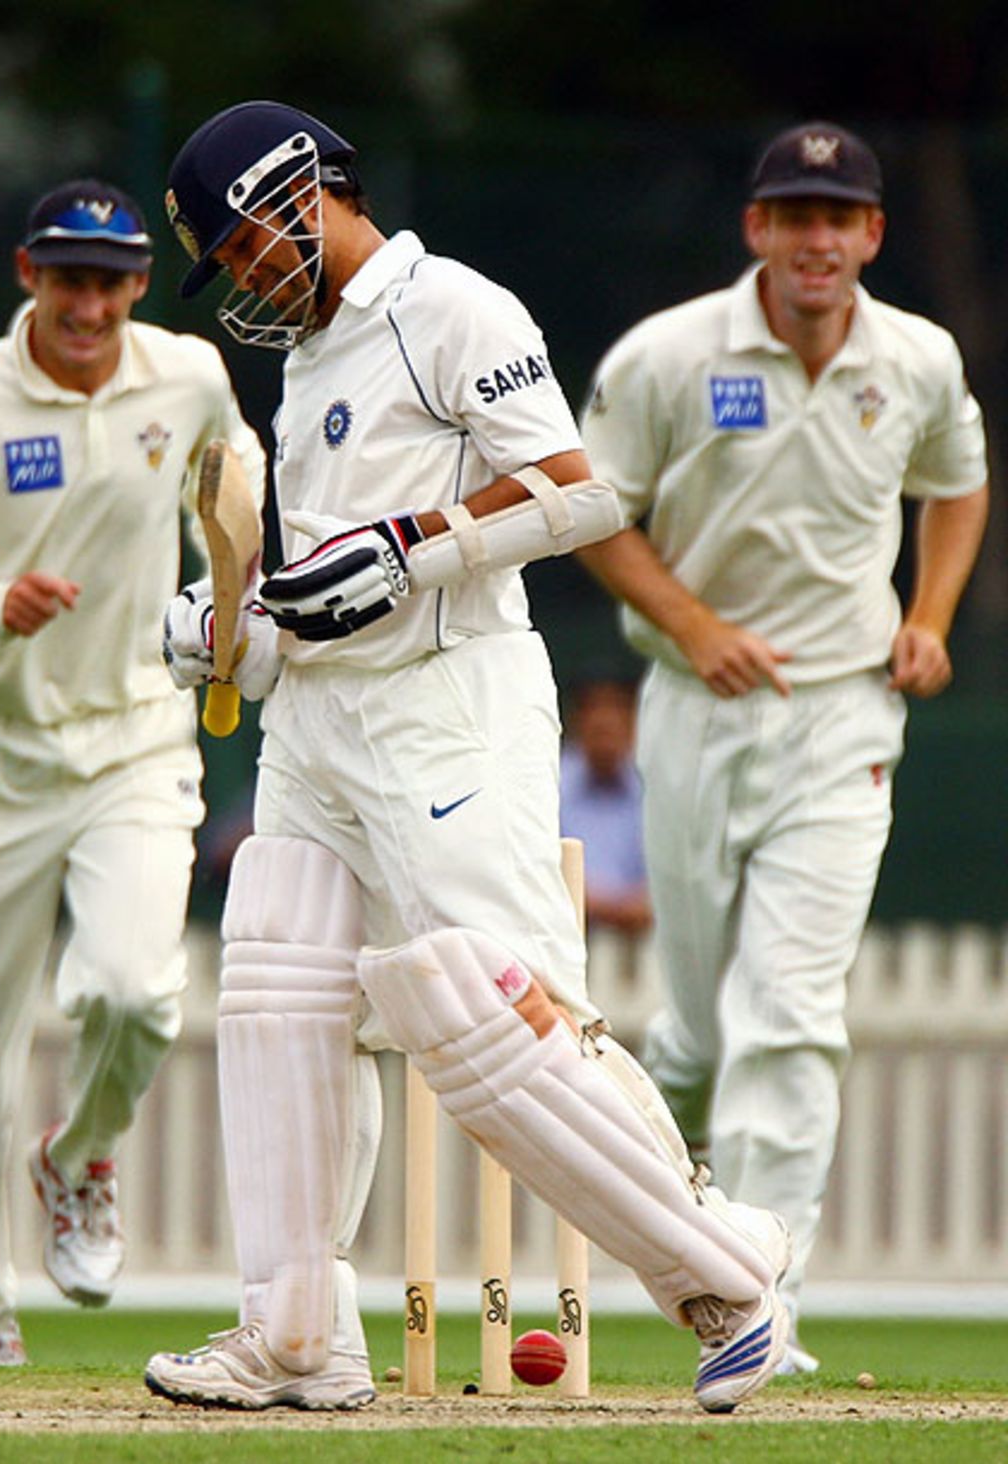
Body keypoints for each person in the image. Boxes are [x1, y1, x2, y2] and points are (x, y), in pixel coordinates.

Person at [148, 99, 795, 1417]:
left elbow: (576, 489)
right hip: (319, 724)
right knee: (279, 986)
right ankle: (293, 1335)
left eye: (243, 249)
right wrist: (238, 629)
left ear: (301, 195)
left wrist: (406, 548)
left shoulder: (453, 307)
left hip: (451, 705)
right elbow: (320, 583)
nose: (246, 281)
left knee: (488, 1013)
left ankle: (725, 1273)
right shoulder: (314, 356)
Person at [578, 121, 989, 1373]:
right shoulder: (670, 354)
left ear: (872, 233)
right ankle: (684, 1224)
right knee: (699, 1038)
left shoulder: (916, 357)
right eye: (794, 216)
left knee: (792, 1016)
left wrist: (927, 618)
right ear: (756, 229)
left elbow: (958, 485)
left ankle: (763, 1295)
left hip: (844, 714)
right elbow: (596, 508)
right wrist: (694, 626)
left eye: (840, 218)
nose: (818, 240)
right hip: (700, 709)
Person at [0, 179, 265, 1365]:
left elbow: (231, 491)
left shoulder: (181, 377)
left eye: (111, 280)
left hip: (134, 732)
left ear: (138, 285)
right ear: (31, 277)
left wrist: (227, 601)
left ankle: (78, 1154)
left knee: (134, 992)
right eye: (67, 278)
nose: (89, 303)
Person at [559, 677, 652, 933]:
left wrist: (642, 904)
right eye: (594, 708)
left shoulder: (653, 784)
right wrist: (605, 907)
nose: (605, 720)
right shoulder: (549, 783)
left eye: (617, 707)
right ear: (578, 720)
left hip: (642, 937)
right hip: (568, 928)